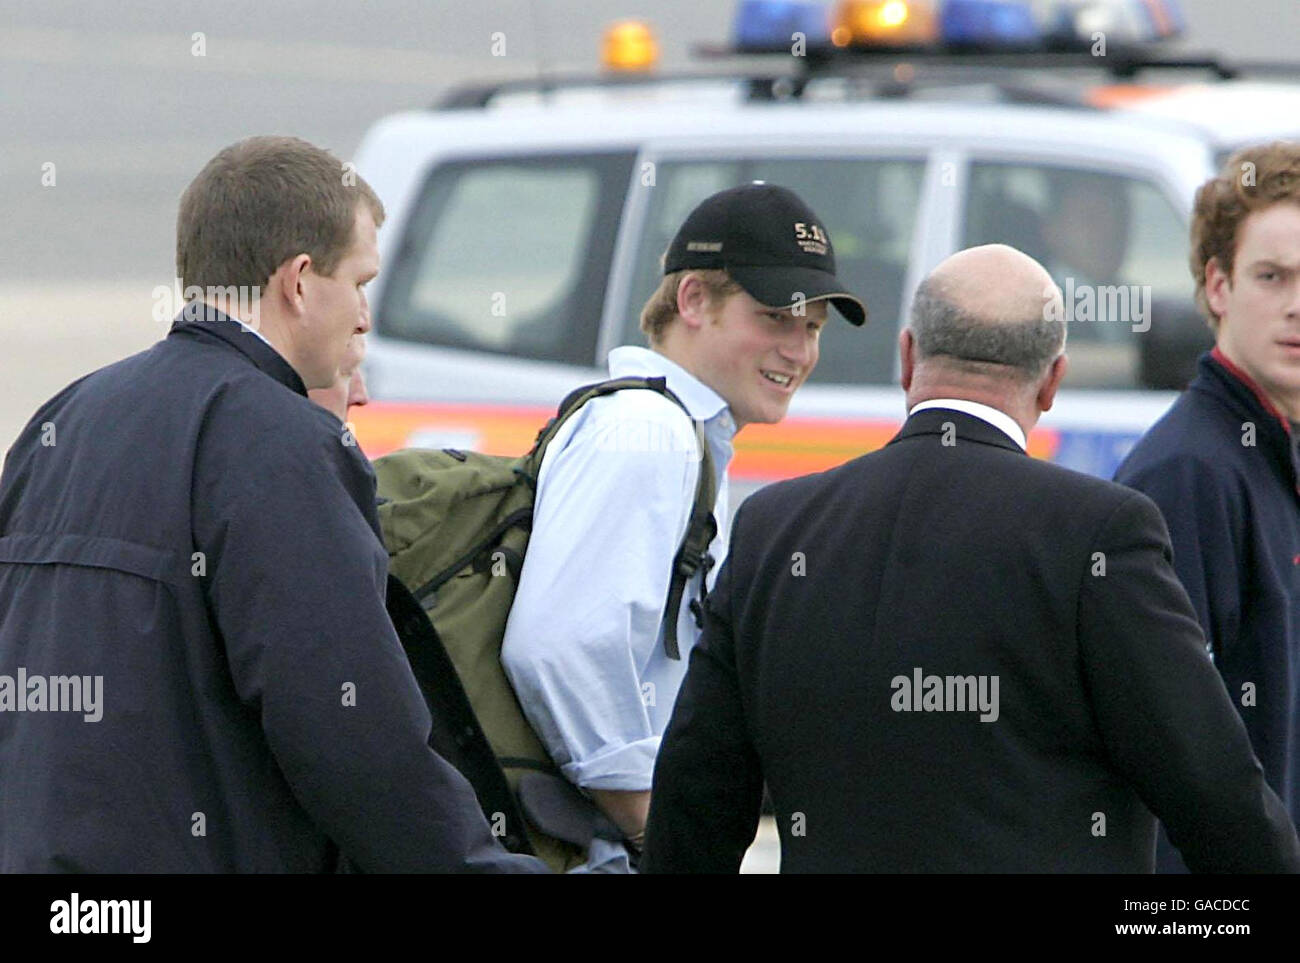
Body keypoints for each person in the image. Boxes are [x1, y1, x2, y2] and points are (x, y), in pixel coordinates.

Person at [641, 243, 1300, 873]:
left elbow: (696, 798)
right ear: (1052, 381)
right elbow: (1214, 792)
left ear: (907, 356)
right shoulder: (1100, 533)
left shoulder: (775, 530)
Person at [0, 135, 545, 873]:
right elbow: (349, 734)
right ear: (297, 282)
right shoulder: (281, 443)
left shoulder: (62, 420)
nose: (364, 317)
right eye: (359, 282)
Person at [500, 183, 866, 872]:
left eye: (813, 327)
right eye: (776, 318)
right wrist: (656, 830)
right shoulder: (649, 432)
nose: (799, 350)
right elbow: (556, 645)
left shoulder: (680, 432)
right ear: (693, 299)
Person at [1115, 141, 1300, 872]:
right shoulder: (1188, 474)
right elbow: (1165, 752)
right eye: (1271, 276)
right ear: (1217, 286)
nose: (1297, 304)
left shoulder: (1275, 450)